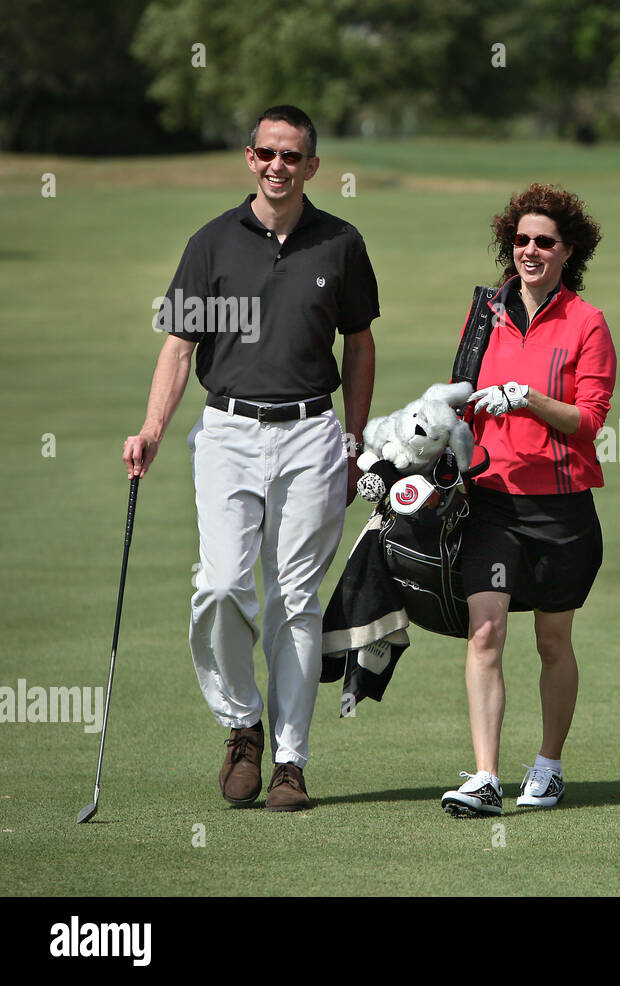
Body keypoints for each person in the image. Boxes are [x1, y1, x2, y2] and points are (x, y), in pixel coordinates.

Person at [123, 105, 378, 812]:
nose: (278, 166)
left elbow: (359, 346)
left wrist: (355, 443)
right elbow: (178, 347)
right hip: (229, 432)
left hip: (312, 433)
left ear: (312, 166)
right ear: (248, 156)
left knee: (297, 599)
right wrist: (150, 429)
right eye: (267, 152)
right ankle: (242, 725)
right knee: (223, 585)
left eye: (292, 156)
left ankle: (290, 761)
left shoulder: (340, 242)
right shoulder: (212, 243)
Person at [440, 184, 616, 817]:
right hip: (491, 501)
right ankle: (485, 775)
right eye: (521, 241)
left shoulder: (586, 322)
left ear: (569, 251)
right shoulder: (485, 314)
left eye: (544, 241)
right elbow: (457, 395)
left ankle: (548, 764)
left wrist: (529, 400)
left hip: (562, 506)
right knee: (484, 633)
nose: (531, 251)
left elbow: (588, 420)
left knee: (551, 643)